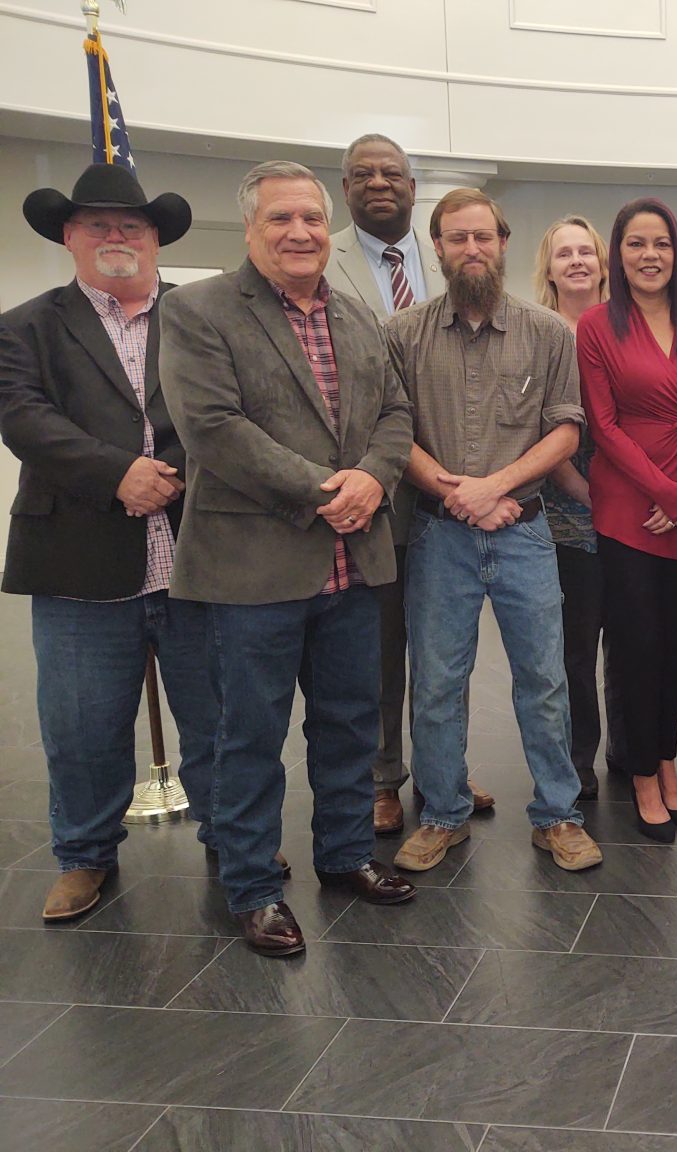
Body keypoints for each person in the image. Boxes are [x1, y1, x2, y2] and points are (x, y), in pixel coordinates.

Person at [159, 160, 418, 956]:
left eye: (311, 217)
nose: (301, 232)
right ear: (249, 229)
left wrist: (372, 479)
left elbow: (397, 411)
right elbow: (213, 428)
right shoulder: (198, 311)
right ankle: (252, 886)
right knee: (250, 736)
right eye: (281, 219)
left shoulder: (357, 315)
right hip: (252, 571)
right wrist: (324, 491)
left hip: (352, 567)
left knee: (347, 726)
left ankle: (343, 857)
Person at [0, 163, 219, 922]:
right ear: (69, 236)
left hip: (199, 558)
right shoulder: (24, 325)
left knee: (219, 715)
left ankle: (236, 838)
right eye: (98, 225)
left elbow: (235, 409)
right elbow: (23, 417)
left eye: (131, 225)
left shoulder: (203, 315)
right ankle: (85, 857)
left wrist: (176, 473)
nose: (116, 237)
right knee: (82, 727)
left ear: (156, 239)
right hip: (77, 562)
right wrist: (118, 472)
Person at [388, 188, 602, 874]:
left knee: (543, 679)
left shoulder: (548, 333)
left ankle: (558, 815)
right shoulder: (403, 335)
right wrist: (461, 496)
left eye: (483, 236)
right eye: (457, 239)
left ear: (504, 243)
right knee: (437, 682)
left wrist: (495, 488)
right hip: (438, 536)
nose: (472, 249)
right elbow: (392, 433)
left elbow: (565, 429)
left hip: (526, 532)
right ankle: (443, 812)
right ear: (439, 249)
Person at [326, 134, 492, 837]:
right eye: (363, 173)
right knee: (382, 650)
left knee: (444, 649)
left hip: (448, 492)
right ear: (345, 187)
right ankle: (382, 779)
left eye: (392, 172)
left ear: (414, 187)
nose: (379, 182)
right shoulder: (321, 257)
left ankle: (444, 773)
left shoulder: (447, 255)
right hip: (370, 487)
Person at [578, 199, 677, 841]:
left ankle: (667, 762)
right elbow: (603, 426)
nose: (649, 256)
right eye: (635, 244)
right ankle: (640, 774)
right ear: (619, 253)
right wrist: (664, 491)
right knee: (636, 649)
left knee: (673, 649)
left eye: (660, 243)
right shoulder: (594, 326)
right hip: (629, 507)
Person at [535, 214, 625, 801]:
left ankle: (629, 748)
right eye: (563, 252)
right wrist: (585, 492)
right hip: (565, 518)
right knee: (573, 651)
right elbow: (535, 431)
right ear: (549, 267)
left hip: (629, 516)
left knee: (628, 643)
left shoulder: (625, 329)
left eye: (586, 252)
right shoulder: (538, 333)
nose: (576, 261)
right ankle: (578, 757)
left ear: (601, 263)